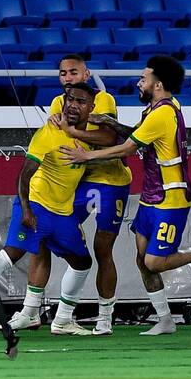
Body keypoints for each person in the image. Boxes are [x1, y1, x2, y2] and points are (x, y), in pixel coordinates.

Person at [61, 55, 191, 335]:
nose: (139, 82)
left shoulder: (161, 114)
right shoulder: (158, 108)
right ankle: (165, 320)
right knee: (141, 259)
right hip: (151, 197)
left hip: (170, 200)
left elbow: (127, 148)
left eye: (144, 79)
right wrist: (109, 123)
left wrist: (87, 155)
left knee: (153, 261)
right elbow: (139, 134)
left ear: (157, 84)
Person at [0, 83, 101, 336]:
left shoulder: (100, 125)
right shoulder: (52, 129)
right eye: (70, 100)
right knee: (16, 253)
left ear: (92, 107)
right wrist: (27, 209)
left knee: (82, 260)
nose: (74, 105)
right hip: (39, 203)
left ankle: (57, 319)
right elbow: (25, 173)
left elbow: (122, 140)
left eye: (81, 101)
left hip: (64, 209)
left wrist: (86, 153)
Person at [47, 53, 131, 336]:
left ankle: (104, 318)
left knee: (102, 249)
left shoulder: (103, 99)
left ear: (86, 74)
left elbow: (111, 138)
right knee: (55, 235)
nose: (67, 78)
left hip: (110, 180)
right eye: (63, 73)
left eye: (73, 72)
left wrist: (72, 132)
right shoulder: (57, 104)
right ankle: (44, 312)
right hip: (79, 183)